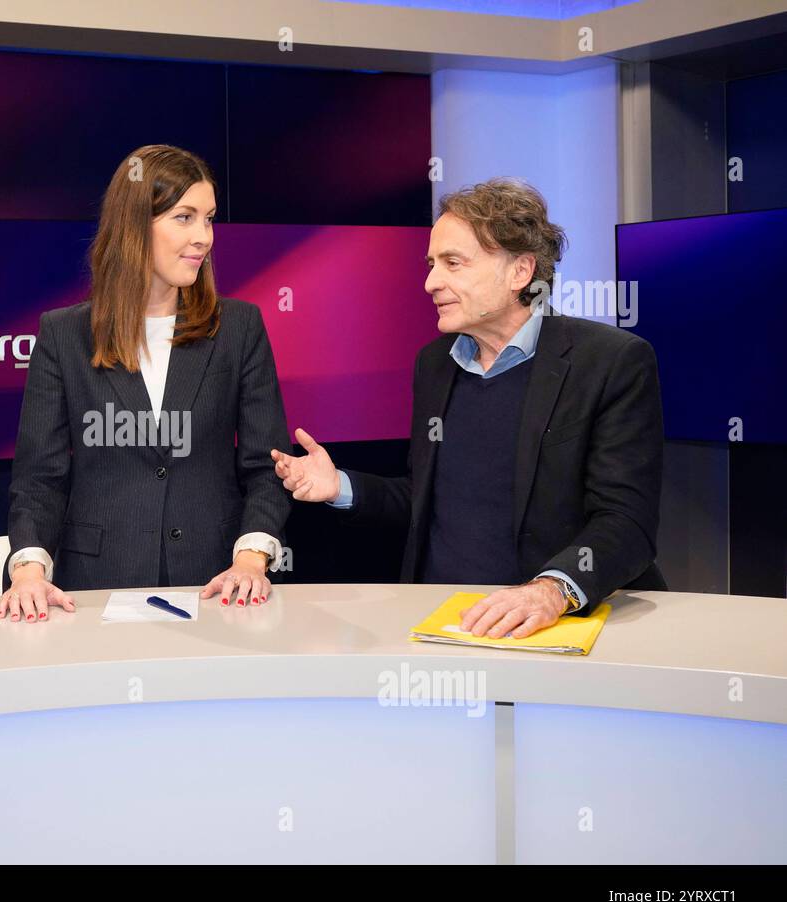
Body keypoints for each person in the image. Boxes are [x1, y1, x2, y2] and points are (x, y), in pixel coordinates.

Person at [273, 178, 665, 639]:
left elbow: (626, 523)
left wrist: (550, 591)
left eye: (453, 263)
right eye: (432, 264)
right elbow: (428, 500)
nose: (430, 282)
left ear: (520, 272)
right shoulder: (435, 363)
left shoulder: (610, 362)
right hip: (442, 625)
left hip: (549, 630)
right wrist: (339, 486)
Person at [0, 144, 291, 622]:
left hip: (215, 585)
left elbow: (266, 466)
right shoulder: (64, 334)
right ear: (135, 224)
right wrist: (29, 570)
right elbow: (39, 480)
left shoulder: (239, 327)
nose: (203, 237)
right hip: (95, 588)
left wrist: (250, 559)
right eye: (184, 217)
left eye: (209, 219)